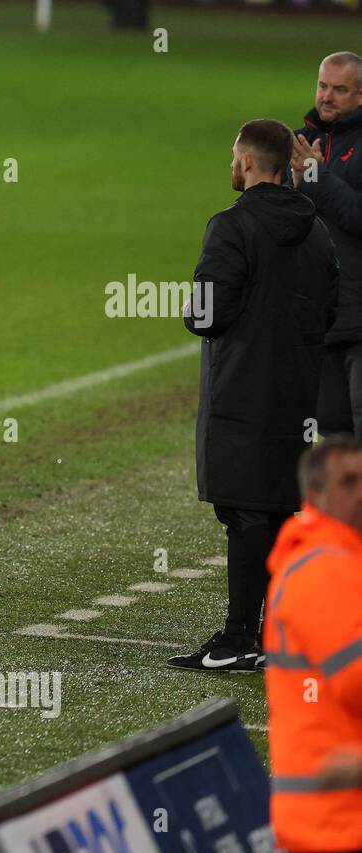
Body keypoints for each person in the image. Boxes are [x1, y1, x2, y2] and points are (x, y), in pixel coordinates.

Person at [169, 119, 337, 673]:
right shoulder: (316, 230)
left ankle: (239, 637)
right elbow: (329, 308)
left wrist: (191, 310)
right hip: (297, 392)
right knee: (278, 510)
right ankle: (277, 633)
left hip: (240, 390)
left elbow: (208, 312)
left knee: (243, 512)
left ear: (245, 162)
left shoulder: (230, 227)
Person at [264, 436, 362, 853]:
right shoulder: (322, 569)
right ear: (315, 497)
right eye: (349, 482)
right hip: (338, 822)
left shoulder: (341, 557)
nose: (361, 492)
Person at [291, 52, 362, 441]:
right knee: (333, 438)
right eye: (322, 86)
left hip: (359, 322)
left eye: (340, 89)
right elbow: (286, 226)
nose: (327, 97)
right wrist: (295, 187)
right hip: (320, 317)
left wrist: (316, 179)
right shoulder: (306, 143)